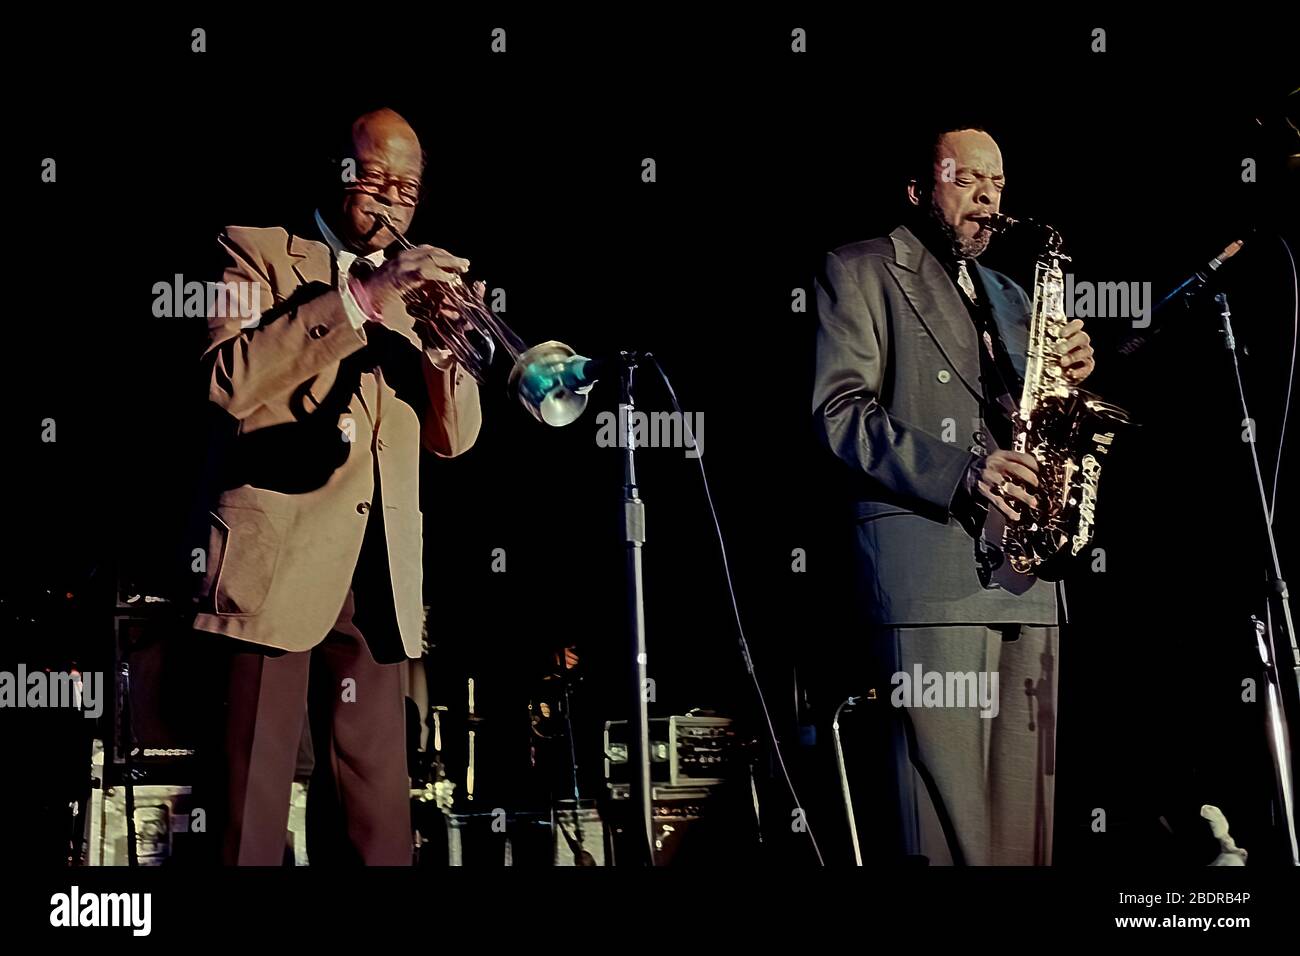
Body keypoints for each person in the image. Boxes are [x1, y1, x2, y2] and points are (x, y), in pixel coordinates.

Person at [193, 108, 482, 865]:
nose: (392, 198)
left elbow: (457, 439)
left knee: (378, 823)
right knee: (249, 816)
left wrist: (447, 350)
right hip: (276, 561)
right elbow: (230, 382)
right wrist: (361, 299)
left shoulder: (423, 285)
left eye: (409, 187)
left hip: (380, 576)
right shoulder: (254, 251)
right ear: (337, 169)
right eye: (376, 177)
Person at [811, 125, 1094, 865]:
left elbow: (1034, 416)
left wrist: (1070, 378)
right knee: (943, 829)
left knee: (1021, 834)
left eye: (997, 184)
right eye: (966, 179)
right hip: (930, 577)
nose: (987, 199)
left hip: (1025, 575)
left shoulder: (1009, 292)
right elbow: (839, 414)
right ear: (917, 189)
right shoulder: (860, 268)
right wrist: (965, 469)